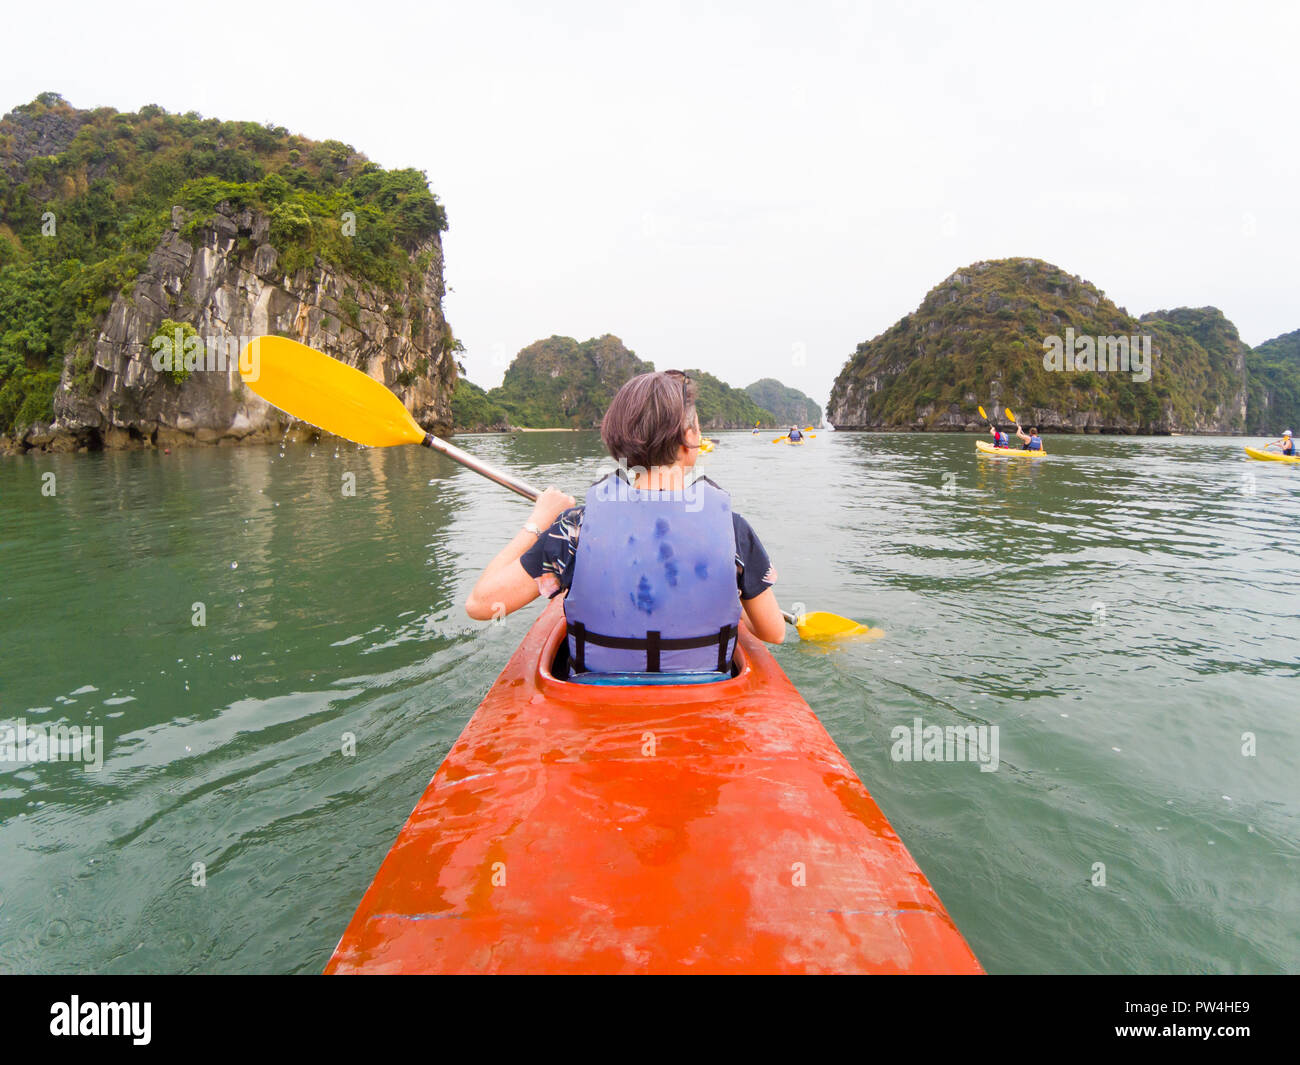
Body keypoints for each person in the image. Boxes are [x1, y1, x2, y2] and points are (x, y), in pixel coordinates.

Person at [465, 371, 786, 678]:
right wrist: (729, 596)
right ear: (690, 438)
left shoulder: (573, 529)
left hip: (596, 704)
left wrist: (538, 520)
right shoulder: (733, 530)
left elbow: (481, 605)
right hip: (705, 699)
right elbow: (773, 632)